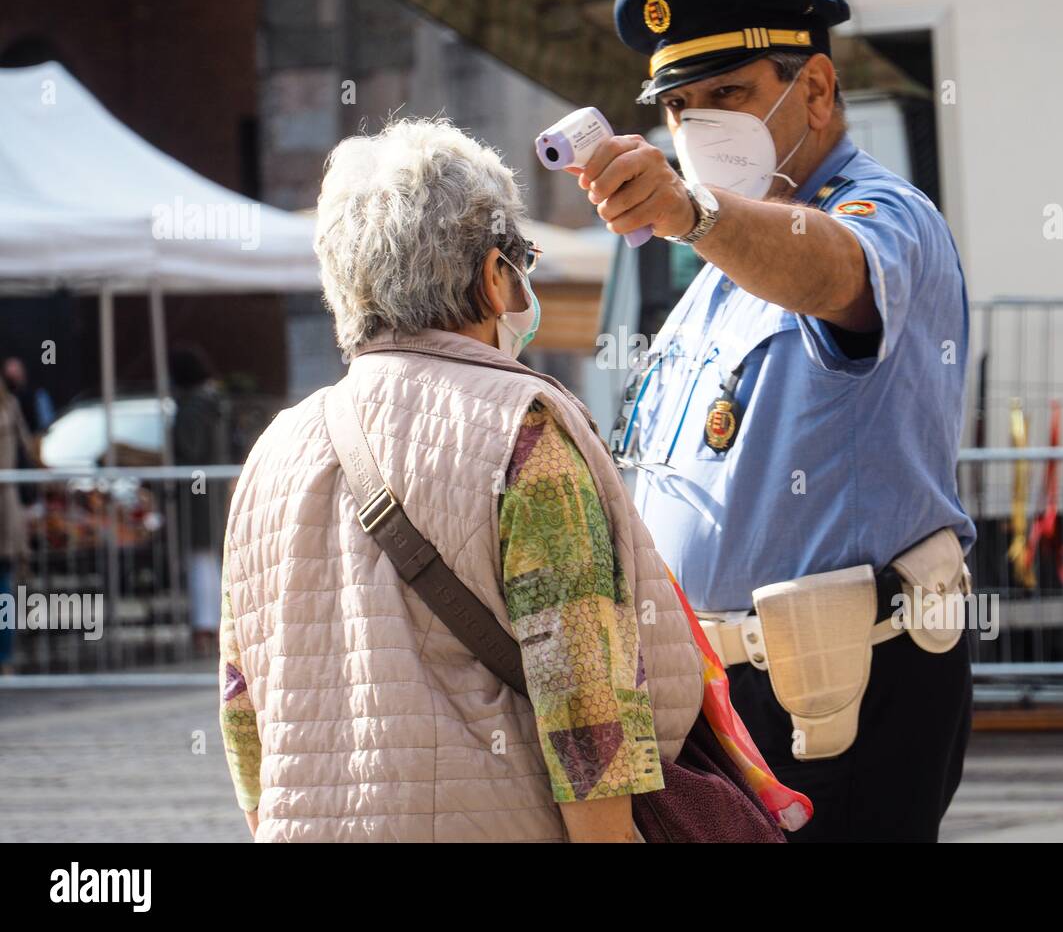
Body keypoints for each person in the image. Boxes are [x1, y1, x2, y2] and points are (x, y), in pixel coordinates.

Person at [569, 0, 976, 842]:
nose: (699, 125)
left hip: (843, 695)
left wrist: (691, 212)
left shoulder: (883, 211)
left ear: (817, 90)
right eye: (678, 107)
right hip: (726, 699)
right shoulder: (714, 272)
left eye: (729, 92)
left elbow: (837, 271)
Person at [217, 118, 707, 842]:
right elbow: (588, 716)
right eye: (522, 260)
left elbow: (241, 717)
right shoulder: (524, 432)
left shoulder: (273, 451)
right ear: (491, 274)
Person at [169, 346, 229, 658]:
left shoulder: (193, 407)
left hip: (197, 492)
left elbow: (187, 449)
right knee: (209, 558)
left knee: (200, 558)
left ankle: (205, 624)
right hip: (210, 489)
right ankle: (213, 622)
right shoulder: (214, 403)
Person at [0, 376, 33, 675]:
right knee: (4, 585)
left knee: (3, 585)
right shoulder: (10, 405)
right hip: (7, 504)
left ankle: (5, 656)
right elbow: (27, 451)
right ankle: (5, 658)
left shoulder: (8, 406)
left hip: (5, 503)